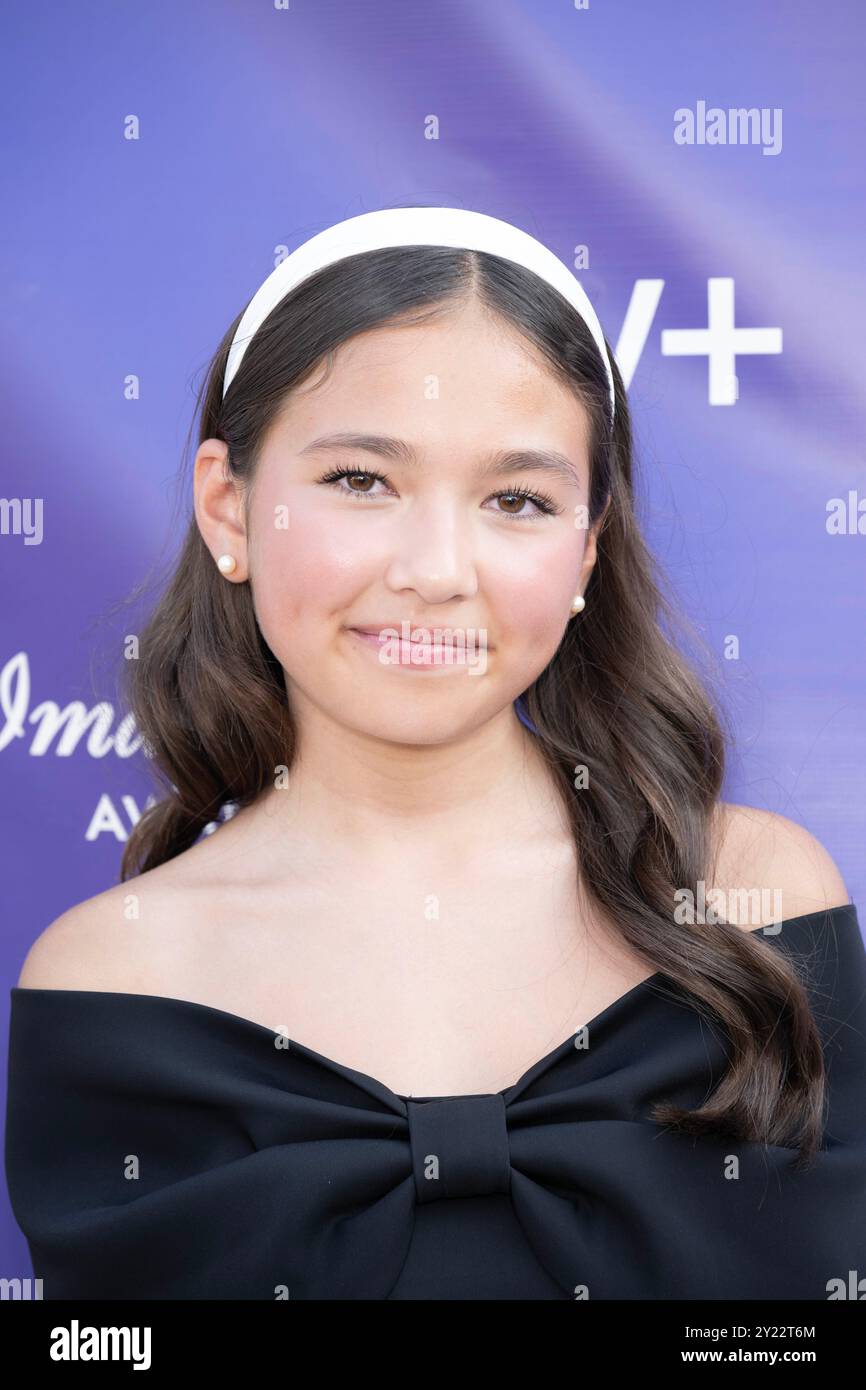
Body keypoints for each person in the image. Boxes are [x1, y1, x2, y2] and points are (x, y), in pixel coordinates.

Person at [6, 207, 863, 1300]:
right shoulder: (112, 976)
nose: (437, 569)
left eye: (517, 500)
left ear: (585, 552)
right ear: (228, 509)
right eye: (362, 480)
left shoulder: (752, 901)